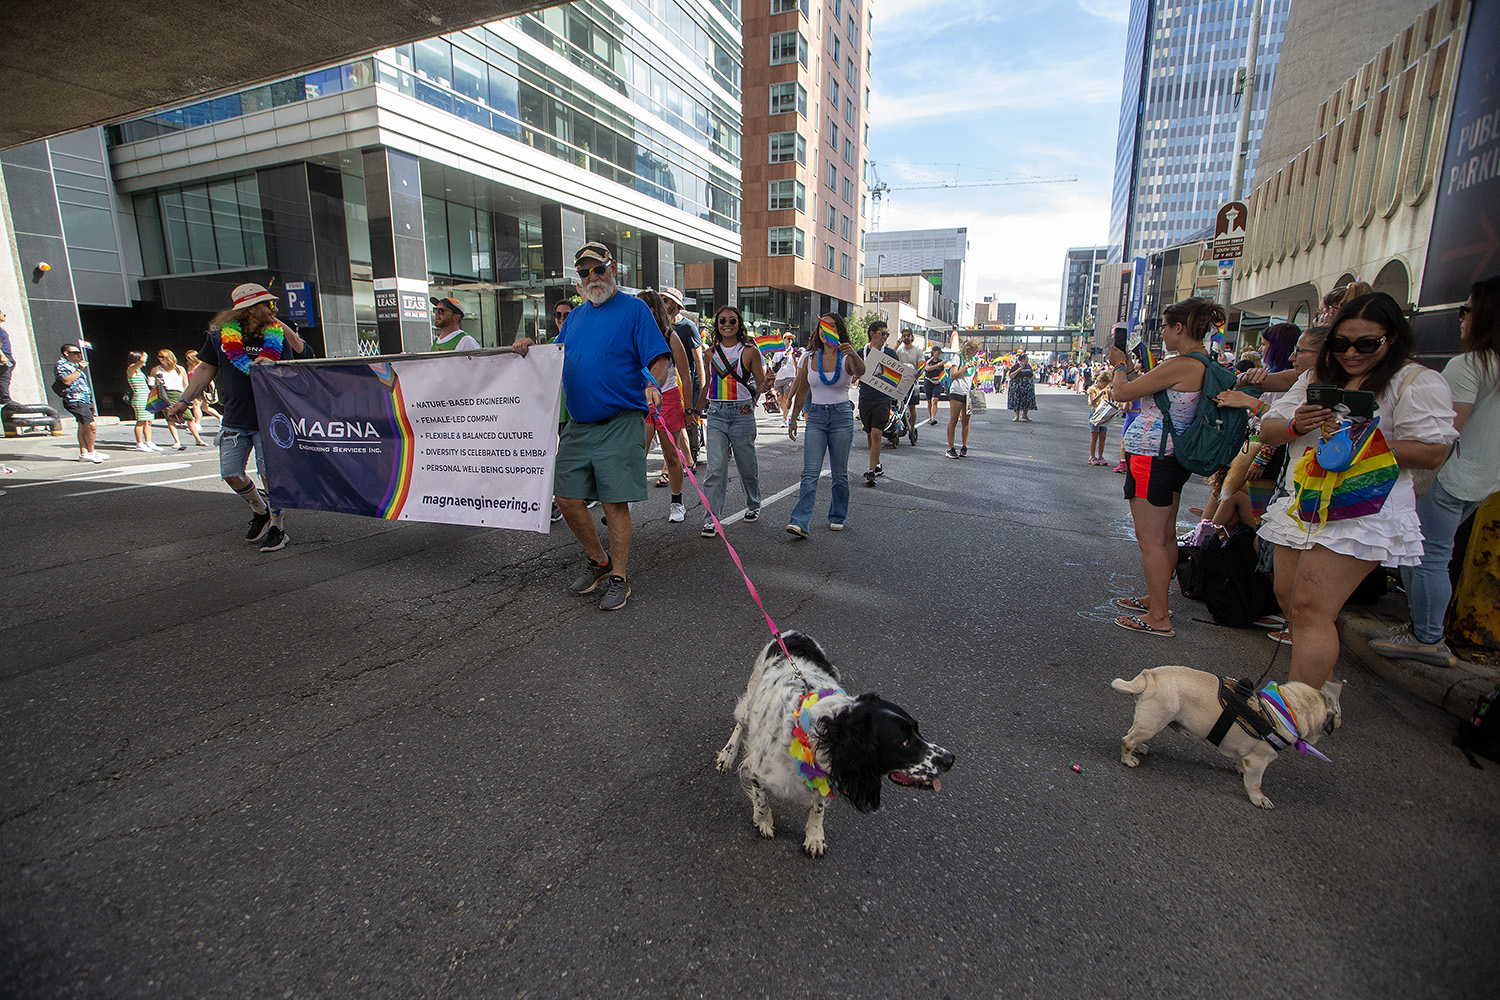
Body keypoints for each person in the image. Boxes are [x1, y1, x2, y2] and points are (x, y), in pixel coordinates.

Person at [1255, 292, 1457, 688]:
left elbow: (1433, 451)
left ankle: (1296, 708)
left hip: (1362, 508)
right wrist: (1298, 424)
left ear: (1392, 338)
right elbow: (1269, 429)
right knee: (1291, 603)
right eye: (1341, 342)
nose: (1351, 353)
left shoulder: (1415, 381)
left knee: (1310, 607)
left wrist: (1360, 442)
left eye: (1366, 344)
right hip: (1306, 500)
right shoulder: (1316, 377)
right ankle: (1322, 699)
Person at [509, 242, 669, 611]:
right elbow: (554, 359)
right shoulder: (576, 318)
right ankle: (599, 560)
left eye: (598, 269)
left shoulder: (634, 310)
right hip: (579, 424)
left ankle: (619, 578)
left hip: (620, 420)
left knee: (613, 502)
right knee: (565, 498)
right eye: (585, 272)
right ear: (579, 278)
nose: (593, 277)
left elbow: (659, 359)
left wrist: (653, 384)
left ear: (613, 268)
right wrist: (530, 349)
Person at [1370, 276, 1500, 667]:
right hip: (1484, 476)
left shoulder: (1470, 364)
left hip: (1449, 476)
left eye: (1467, 310)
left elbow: (1441, 434)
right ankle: (1421, 628)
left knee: (1426, 556)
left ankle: (1426, 637)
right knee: (1432, 554)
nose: (1461, 318)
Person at [1106, 297, 1225, 636]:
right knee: (1165, 535)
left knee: (1151, 541)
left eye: (1165, 326)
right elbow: (1147, 391)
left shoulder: (1181, 364)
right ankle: (1156, 599)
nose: (1161, 332)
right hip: (1170, 456)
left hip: (1152, 456)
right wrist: (1131, 369)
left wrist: (1119, 366)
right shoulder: (1201, 361)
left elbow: (1122, 393)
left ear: (1179, 328)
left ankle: (1158, 615)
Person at [164, 283, 312, 553]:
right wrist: (184, 400)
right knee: (231, 473)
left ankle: (278, 527)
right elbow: (205, 369)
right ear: (250, 309)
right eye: (267, 304)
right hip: (235, 417)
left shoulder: (277, 333)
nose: (272, 308)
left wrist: (275, 366)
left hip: (270, 418)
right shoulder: (220, 336)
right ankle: (261, 511)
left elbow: (298, 366)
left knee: (271, 476)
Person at [785, 313, 865, 537]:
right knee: (810, 472)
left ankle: (838, 516)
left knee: (839, 473)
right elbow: (802, 390)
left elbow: (861, 371)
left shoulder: (846, 357)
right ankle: (800, 522)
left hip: (841, 417)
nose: (824, 330)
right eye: (821, 326)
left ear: (838, 330)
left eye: (830, 326)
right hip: (816, 417)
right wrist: (793, 418)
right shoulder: (809, 357)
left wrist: (853, 353)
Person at [696, 304, 766, 538]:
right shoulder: (710, 353)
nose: (727, 324)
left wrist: (768, 383)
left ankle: (753, 503)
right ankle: (711, 519)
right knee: (715, 468)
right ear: (717, 325)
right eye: (722, 320)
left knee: (747, 465)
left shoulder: (749, 351)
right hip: (716, 413)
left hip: (742, 413)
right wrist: (695, 411)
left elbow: (760, 384)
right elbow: (707, 385)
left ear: (739, 324)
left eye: (732, 320)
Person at [637, 289, 693, 523]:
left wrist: (689, 410)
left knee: (671, 454)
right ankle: (624, 504)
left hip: (667, 397)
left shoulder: (670, 336)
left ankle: (677, 503)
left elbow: (685, 376)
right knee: (637, 453)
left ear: (653, 311)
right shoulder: (633, 333)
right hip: (640, 399)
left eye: (643, 309)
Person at [661, 287, 705, 465]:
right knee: (677, 424)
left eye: (666, 300)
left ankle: (690, 455)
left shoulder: (688, 327)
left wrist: (702, 391)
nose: (663, 303)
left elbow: (699, 362)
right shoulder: (660, 326)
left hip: (688, 382)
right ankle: (687, 460)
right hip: (668, 382)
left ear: (677, 306)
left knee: (688, 421)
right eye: (662, 299)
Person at [858, 320, 898, 485]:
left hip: (883, 399)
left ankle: (871, 471)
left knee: (876, 433)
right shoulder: (861, 353)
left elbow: (898, 377)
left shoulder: (890, 354)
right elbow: (853, 373)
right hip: (865, 397)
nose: (885, 337)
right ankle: (877, 463)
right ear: (872, 334)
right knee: (869, 433)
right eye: (882, 333)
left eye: (886, 334)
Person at [54, 344, 105, 463]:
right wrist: (79, 369)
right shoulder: (61, 365)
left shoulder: (74, 365)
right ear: (66, 353)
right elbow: (67, 381)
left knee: (83, 425)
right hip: (75, 399)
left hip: (84, 399)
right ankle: (91, 451)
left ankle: (85, 452)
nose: (79, 355)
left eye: (79, 352)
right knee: (91, 425)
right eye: (75, 353)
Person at [151, 349, 206, 449]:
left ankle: (198, 439)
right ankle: (176, 441)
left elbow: (185, 384)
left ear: (169, 357)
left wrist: (189, 397)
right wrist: (156, 383)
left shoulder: (179, 369)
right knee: (170, 418)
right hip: (165, 394)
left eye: (162, 357)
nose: (160, 359)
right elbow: (151, 384)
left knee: (189, 418)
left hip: (179, 394)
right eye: (159, 357)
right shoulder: (156, 369)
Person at [944, 337, 980, 458]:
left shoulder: (974, 360)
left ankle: (964, 446)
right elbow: (953, 375)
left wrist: (977, 381)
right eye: (974, 350)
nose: (975, 353)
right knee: (953, 419)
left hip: (968, 392)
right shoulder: (958, 357)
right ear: (968, 349)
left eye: (977, 351)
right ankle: (950, 447)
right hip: (957, 391)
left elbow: (973, 376)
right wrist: (966, 367)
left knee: (966, 421)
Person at [125, 351, 160, 452]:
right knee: (141, 421)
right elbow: (142, 361)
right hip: (140, 398)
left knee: (149, 421)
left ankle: (148, 441)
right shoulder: (131, 369)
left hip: (147, 396)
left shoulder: (139, 371)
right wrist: (144, 355)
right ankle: (139, 443)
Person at [892, 330, 924, 431]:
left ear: (912, 337)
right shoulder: (899, 351)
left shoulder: (918, 351)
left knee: (912, 407)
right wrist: (896, 345)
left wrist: (918, 374)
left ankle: (912, 427)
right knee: (898, 405)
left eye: (908, 335)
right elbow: (891, 359)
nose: (906, 337)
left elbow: (921, 366)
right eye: (904, 336)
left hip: (912, 382)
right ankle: (898, 424)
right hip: (900, 381)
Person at [1086, 368, 1115, 465]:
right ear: (1100, 381)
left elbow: (1113, 399)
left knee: (1103, 436)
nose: (1106, 385)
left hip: (1104, 413)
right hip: (1095, 412)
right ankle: (1092, 456)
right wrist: (1100, 394)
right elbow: (1092, 402)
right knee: (1094, 435)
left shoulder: (1107, 389)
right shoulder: (1092, 389)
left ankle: (1100, 456)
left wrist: (1110, 392)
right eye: (1105, 383)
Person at [772, 332, 801, 424]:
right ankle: (785, 412)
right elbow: (773, 365)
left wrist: (797, 376)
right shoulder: (778, 352)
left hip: (790, 377)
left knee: (786, 398)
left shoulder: (793, 352)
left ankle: (784, 419)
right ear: (783, 339)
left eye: (792, 339)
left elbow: (797, 366)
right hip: (779, 378)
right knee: (779, 400)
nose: (790, 341)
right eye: (788, 338)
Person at [184, 349, 221, 420]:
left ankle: (197, 423)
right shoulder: (189, 366)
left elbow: (209, 379)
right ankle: (220, 417)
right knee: (204, 408)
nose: (187, 359)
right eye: (186, 357)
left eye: (189, 358)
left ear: (194, 358)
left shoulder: (200, 366)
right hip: (193, 387)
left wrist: (213, 390)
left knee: (196, 406)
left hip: (200, 387)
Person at [1006, 352, 1036, 422]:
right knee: (1017, 400)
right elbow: (1011, 376)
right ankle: (1017, 416)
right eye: (1026, 359)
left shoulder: (1028, 366)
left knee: (1026, 400)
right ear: (1022, 359)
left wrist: (1033, 384)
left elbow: (1031, 375)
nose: (1027, 360)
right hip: (1018, 384)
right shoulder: (1015, 366)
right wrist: (1020, 369)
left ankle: (1025, 415)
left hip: (1027, 385)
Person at [921, 344, 946, 425]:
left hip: (938, 382)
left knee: (934, 400)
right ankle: (930, 416)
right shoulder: (928, 361)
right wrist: (938, 365)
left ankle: (933, 418)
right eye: (937, 352)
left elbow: (943, 373)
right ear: (933, 352)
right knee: (929, 401)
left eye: (939, 353)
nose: (938, 354)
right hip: (928, 380)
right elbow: (927, 368)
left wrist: (944, 384)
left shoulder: (941, 361)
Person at [0, 308, 14, 405]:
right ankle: (5, 398)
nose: (4, 316)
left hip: (6, 354)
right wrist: (2, 356)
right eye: (3, 314)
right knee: (4, 376)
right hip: (3, 354)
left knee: (5, 375)